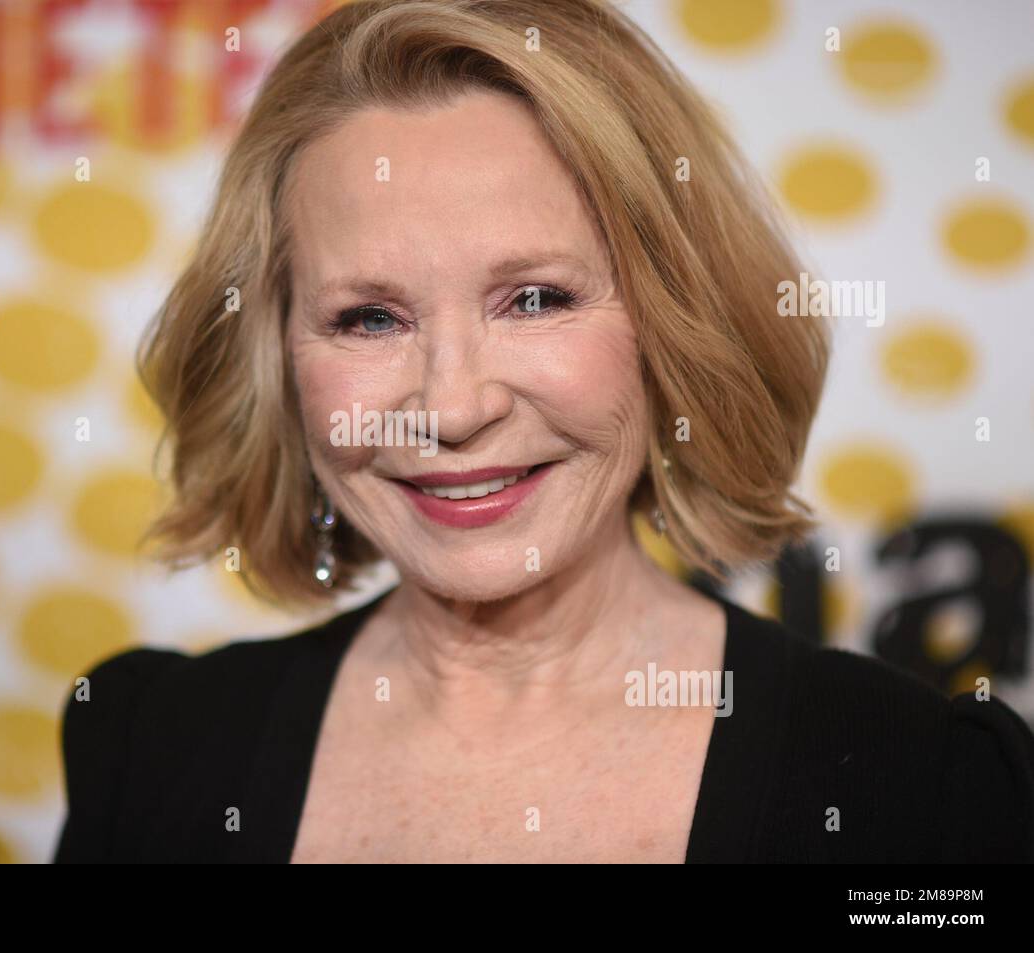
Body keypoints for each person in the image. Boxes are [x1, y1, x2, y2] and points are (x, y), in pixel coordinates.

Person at [54, 0, 1034, 863]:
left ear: (674, 321)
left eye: (533, 298)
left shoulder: (918, 788)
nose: (451, 406)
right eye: (368, 317)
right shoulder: (159, 749)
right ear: (276, 358)